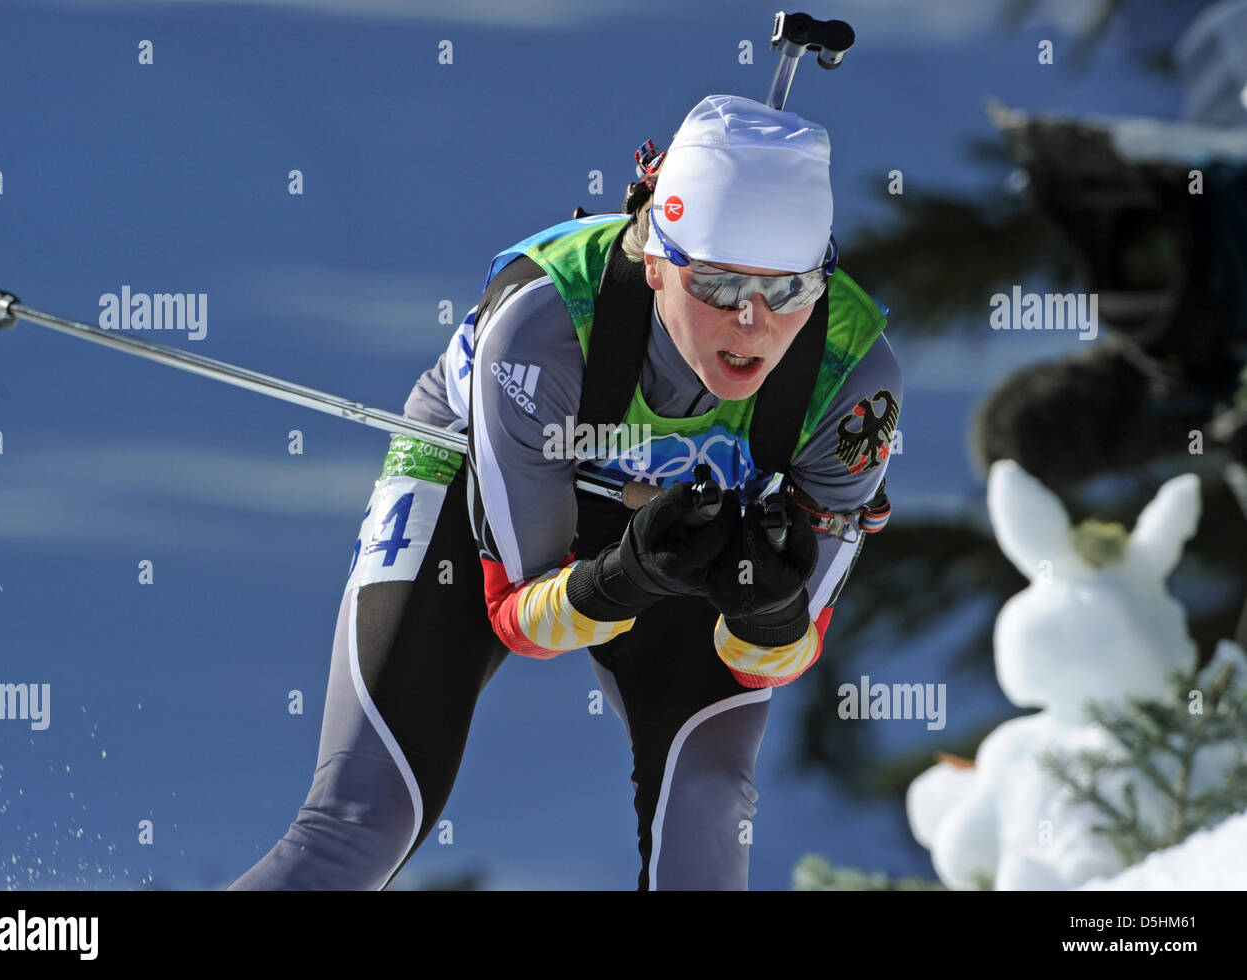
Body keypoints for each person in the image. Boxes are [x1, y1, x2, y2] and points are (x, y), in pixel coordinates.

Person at [228, 93, 902, 891]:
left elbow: (778, 658)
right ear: (657, 259)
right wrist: (626, 576)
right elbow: (520, 616)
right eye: (719, 285)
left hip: (691, 525)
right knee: (360, 823)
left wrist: (764, 604)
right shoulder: (544, 324)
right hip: (480, 480)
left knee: (711, 808)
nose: (754, 323)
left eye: (789, 290)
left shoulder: (852, 379)